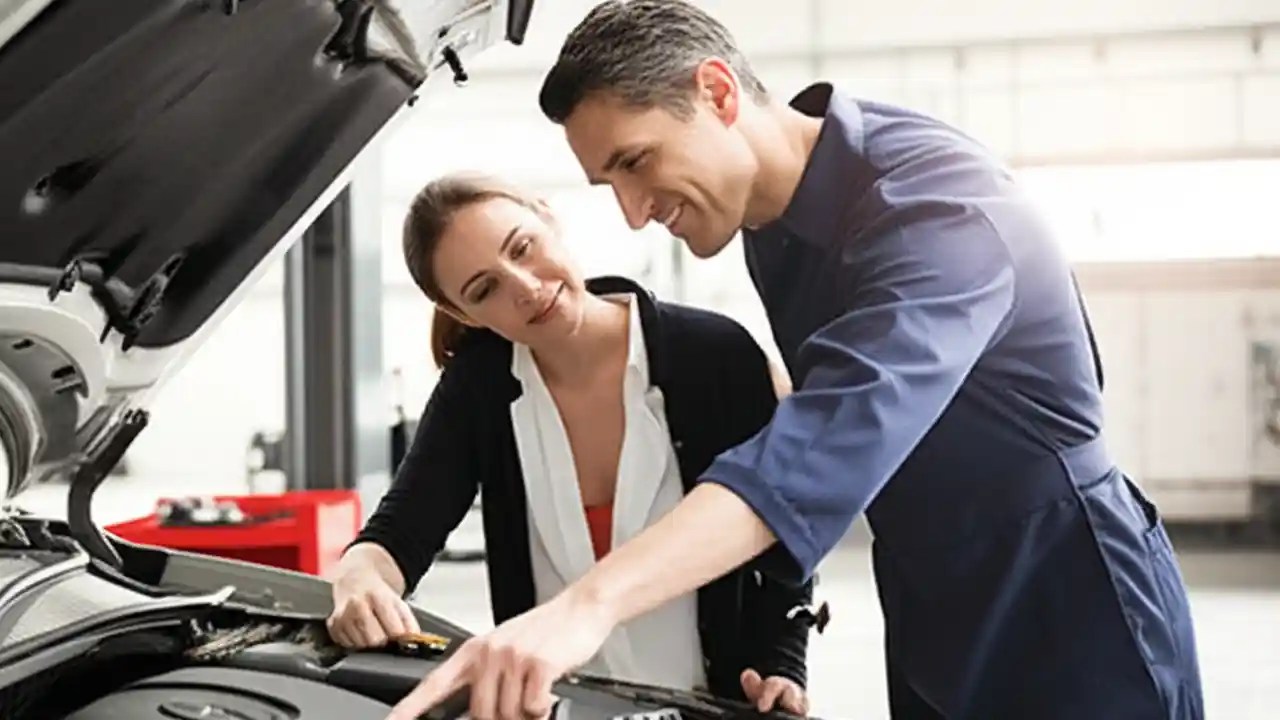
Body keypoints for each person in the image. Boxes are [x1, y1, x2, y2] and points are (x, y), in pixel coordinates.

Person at [386, 2, 1207, 720]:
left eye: (636, 162)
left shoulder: (939, 206)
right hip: (930, 605)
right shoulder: (769, 228)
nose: (634, 216)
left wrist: (585, 607)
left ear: (715, 91)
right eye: (609, 186)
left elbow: (820, 446)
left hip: (1065, 599)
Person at [326, 171, 813, 716]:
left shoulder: (717, 355)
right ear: (466, 315)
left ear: (547, 215)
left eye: (523, 248)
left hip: (714, 702)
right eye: (485, 289)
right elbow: (401, 531)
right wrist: (357, 576)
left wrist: (783, 665)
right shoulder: (478, 387)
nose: (526, 288)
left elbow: (781, 528)